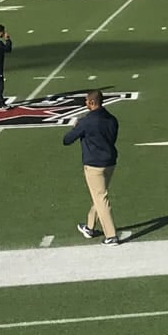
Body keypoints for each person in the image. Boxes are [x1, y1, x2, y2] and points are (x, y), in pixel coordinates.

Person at [65, 91, 121, 244]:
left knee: (101, 198)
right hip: (110, 162)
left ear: (91, 102)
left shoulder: (86, 121)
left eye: (86, 101)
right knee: (99, 195)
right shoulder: (112, 119)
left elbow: (67, 140)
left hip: (94, 165)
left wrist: (76, 127)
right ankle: (89, 226)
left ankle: (111, 236)